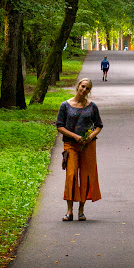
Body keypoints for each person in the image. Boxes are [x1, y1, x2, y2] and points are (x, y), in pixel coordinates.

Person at [56, 78, 103, 221]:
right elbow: (59, 126)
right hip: (71, 144)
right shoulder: (65, 105)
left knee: (86, 176)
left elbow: (99, 125)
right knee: (71, 175)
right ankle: (69, 211)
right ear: (78, 86)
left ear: (89, 91)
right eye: (83, 86)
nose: (84, 90)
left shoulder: (92, 107)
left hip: (88, 145)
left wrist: (91, 136)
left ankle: (81, 210)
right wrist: (75, 136)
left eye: (87, 88)